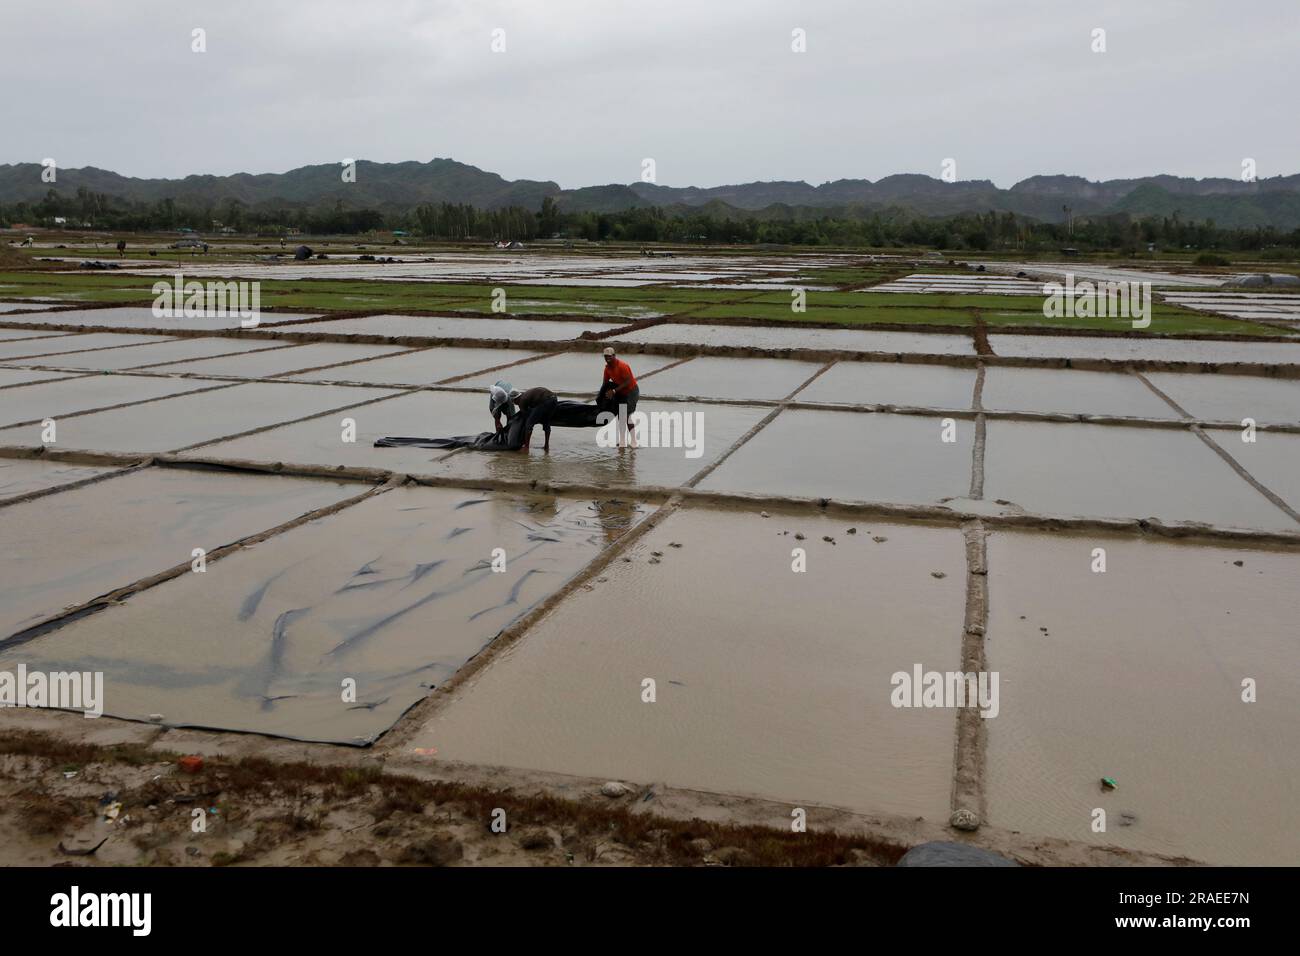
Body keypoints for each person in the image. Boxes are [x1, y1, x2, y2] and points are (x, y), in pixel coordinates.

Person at [599, 347, 639, 447]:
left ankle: (634, 441)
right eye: (605, 356)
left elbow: (628, 381)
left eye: (609, 356)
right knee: (621, 416)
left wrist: (614, 391)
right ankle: (622, 442)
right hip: (620, 392)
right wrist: (601, 396)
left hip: (631, 391)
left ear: (614, 356)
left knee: (626, 416)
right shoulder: (607, 368)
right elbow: (605, 383)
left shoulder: (622, 366)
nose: (607, 358)